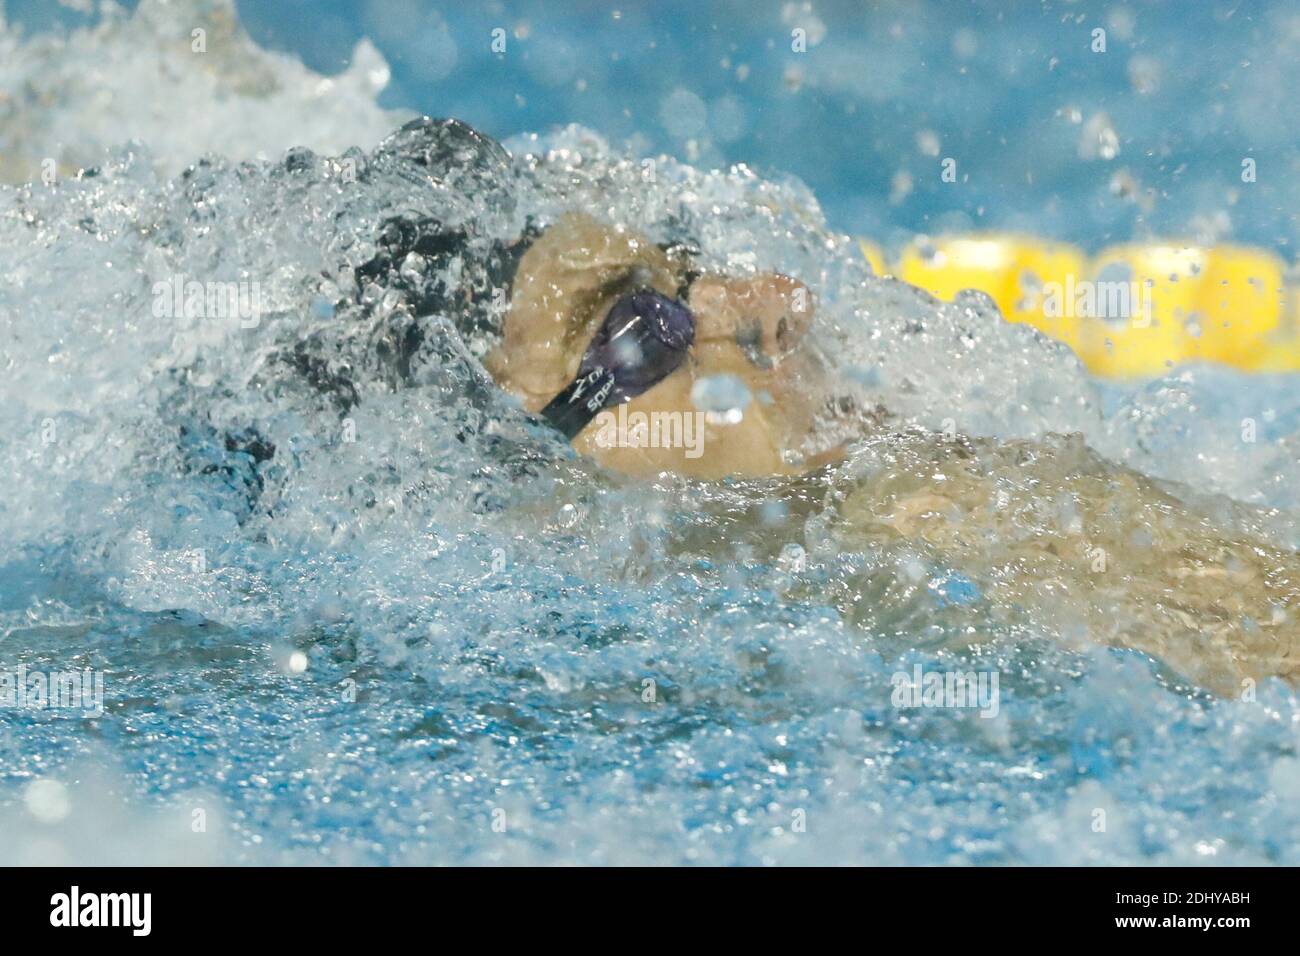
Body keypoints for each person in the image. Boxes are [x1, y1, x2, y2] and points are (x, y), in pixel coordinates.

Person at [486, 213, 1300, 696]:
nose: (753, 300)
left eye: (692, 267)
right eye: (636, 328)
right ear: (537, 446)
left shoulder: (925, 501)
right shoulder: (924, 512)